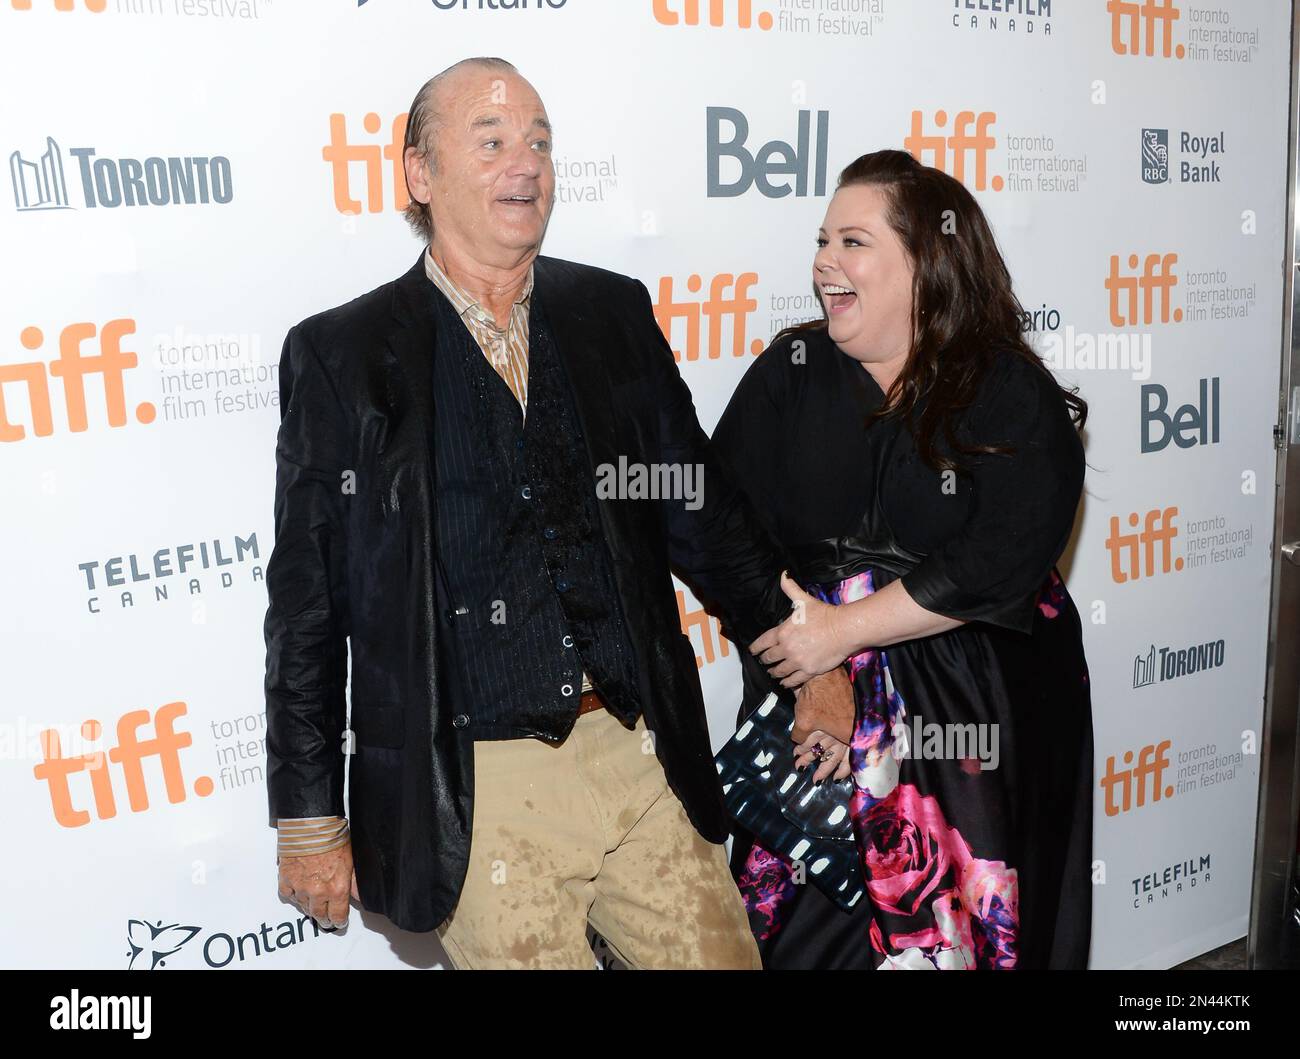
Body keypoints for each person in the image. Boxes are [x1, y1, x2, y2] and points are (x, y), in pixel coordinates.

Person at [262, 56, 838, 970]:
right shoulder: (343, 355)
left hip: (636, 748)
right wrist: (307, 816)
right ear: (420, 174)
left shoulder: (609, 312)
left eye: (539, 141)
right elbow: (307, 605)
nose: (523, 164)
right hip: (478, 784)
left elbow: (698, 509)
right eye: (490, 141)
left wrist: (805, 649)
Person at [715, 149, 1094, 970]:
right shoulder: (794, 371)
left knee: (961, 936)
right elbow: (718, 519)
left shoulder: (1005, 388)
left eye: (853, 241)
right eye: (822, 240)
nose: (825, 262)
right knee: (803, 942)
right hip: (816, 711)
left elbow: (1006, 552)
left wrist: (844, 630)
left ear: (927, 263)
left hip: (974, 726)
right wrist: (811, 658)